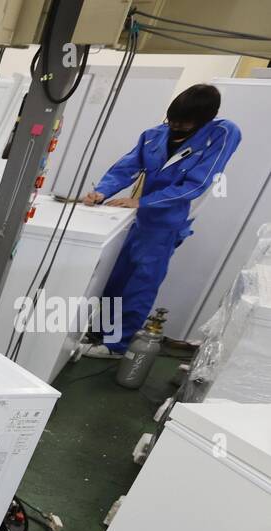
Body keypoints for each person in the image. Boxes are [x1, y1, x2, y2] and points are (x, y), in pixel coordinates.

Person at [79, 84, 241, 357]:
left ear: (205, 119)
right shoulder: (153, 136)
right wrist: (102, 191)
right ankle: (97, 331)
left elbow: (196, 184)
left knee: (140, 284)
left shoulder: (221, 134)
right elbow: (126, 167)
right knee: (114, 277)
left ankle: (116, 345)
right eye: (172, 120)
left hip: (166, 222)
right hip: (136, 219)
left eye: (184, 123)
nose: (175, 127)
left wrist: (143, 201)